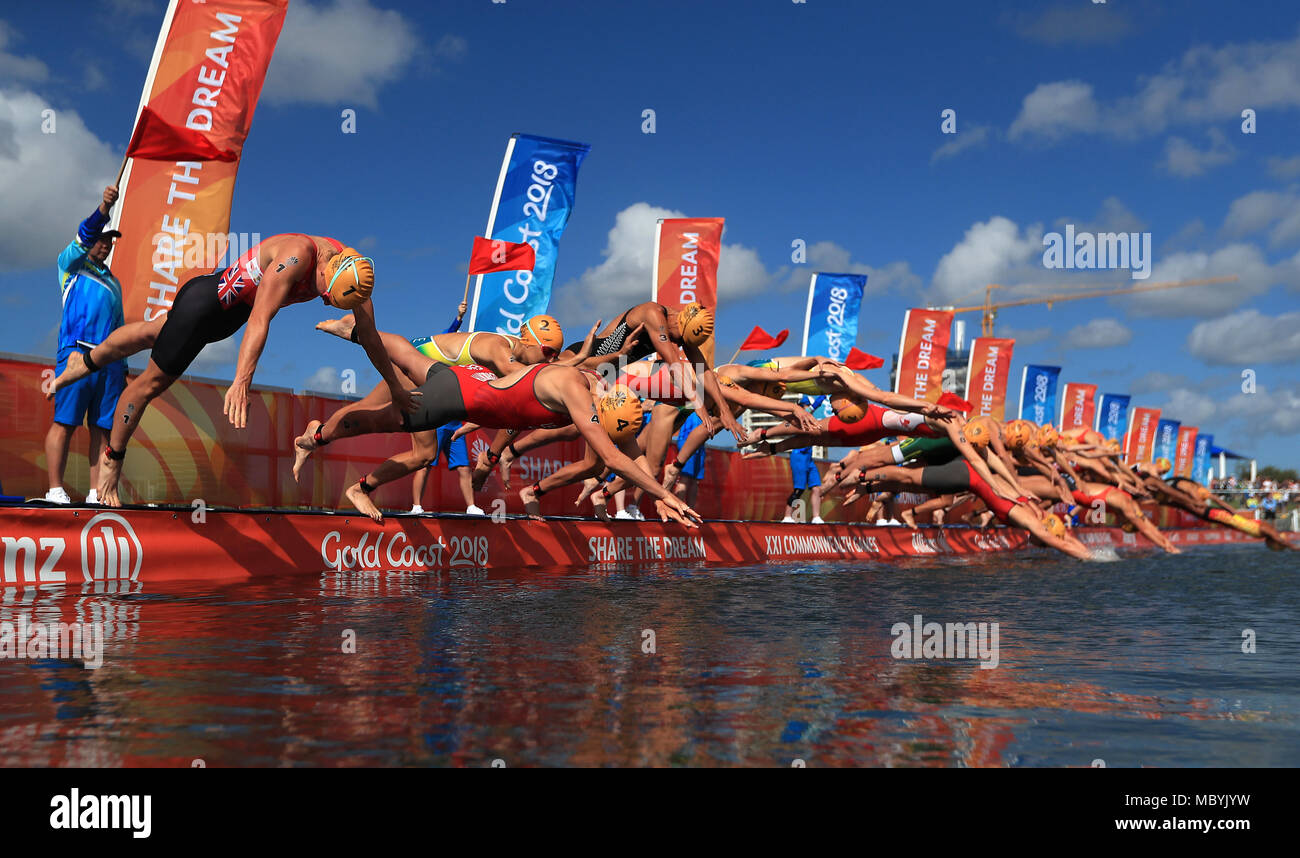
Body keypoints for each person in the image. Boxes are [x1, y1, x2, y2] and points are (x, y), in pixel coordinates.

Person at [50, 234, 412, 507]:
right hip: (207, 305)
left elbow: (372, 339)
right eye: (327, 296)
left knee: (153, 331)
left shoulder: (354, 275)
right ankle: (112, 461)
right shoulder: (299, 255)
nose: (323, 302)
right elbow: (260, 318)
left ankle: (85, 362)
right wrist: (241, 382)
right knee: (151, 382)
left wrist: (395, 387)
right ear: (323, 271)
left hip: (228, 314)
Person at [290, 330, 700, 526]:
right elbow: (611, 457)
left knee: (413, 366)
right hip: (457, 397)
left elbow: (629, 452)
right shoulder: (576, 391)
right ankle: (318, 437)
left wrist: (659, 495)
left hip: (466, 384)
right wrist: (665, 493)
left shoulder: (598, 387)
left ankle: (359, 330)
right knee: (377, 420)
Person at [45, 185, 125, 504]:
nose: (104, 245)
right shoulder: (71, 265)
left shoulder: (114, 282)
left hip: (108, 362)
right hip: (76, 353)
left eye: (109, 240)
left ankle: (96, 493)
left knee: (103, 430)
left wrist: (124, 366)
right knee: (65, 422)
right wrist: (104, 207)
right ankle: (54, 489)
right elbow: (86, 231)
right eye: (101, 239)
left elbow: (119, 328)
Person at [409, 301, 485, 516]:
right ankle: (416, 506)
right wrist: (458, 317)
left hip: (454, 423)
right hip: (434, 421)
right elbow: (448, 334)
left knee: (463, 467)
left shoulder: (463, 360)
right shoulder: (435, 355)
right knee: (424, 464)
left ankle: (471, 506)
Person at [784, 395, 826, 523]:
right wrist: (825, 394)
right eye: (807, 406)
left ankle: (816, 517)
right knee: (799, 489)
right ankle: (787, 516)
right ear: (803, 406)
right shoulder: (798, 416)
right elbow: (816, 404)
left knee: (816, 487)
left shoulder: (807, 416)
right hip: (799, 456)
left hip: (808, 456)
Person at [672, 410, 706, 509]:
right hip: (687, 439)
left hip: (701, 442)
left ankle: (690, 512)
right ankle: (678, 510)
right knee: (685, 478)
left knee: (695, 480)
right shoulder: (690, 400)